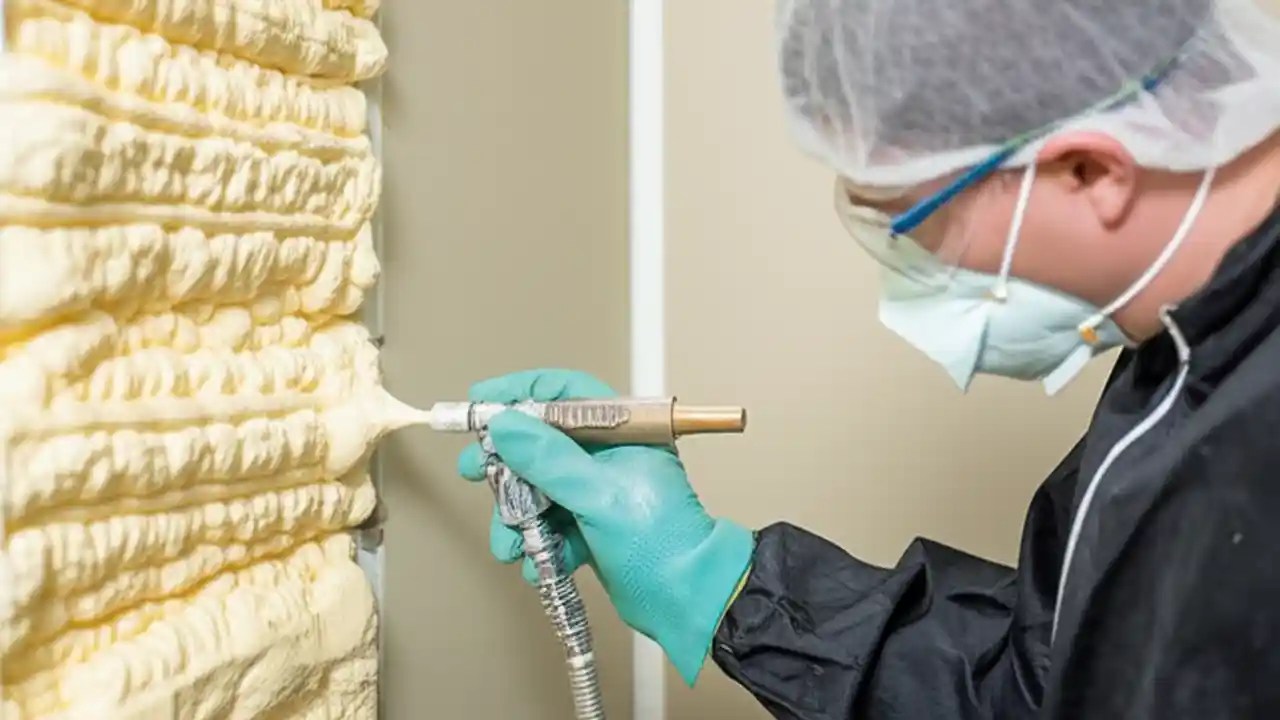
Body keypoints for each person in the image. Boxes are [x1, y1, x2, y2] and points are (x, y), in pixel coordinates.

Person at [456, 1, 1280, 717]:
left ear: (1090, 170)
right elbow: (1049, 688)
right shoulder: (1180, 361)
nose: (912, 276)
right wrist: (722, 583)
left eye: (915, 226)